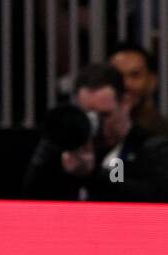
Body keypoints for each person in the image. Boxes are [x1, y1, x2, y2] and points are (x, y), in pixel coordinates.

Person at [24, 62, 168, 203]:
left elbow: (152, 198)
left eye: (105, 115)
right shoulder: (64, 149)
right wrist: (50, 148)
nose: (96, 124)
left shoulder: (152, 149)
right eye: (87, 115)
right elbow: (31, 198)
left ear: (125, 103)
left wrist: (91, 174)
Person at [109, 42, 168, 138]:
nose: (125, 84)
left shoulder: (163, 135)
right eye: (117, 75)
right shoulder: (94, 135)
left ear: (152, 81)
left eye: (135, 75)